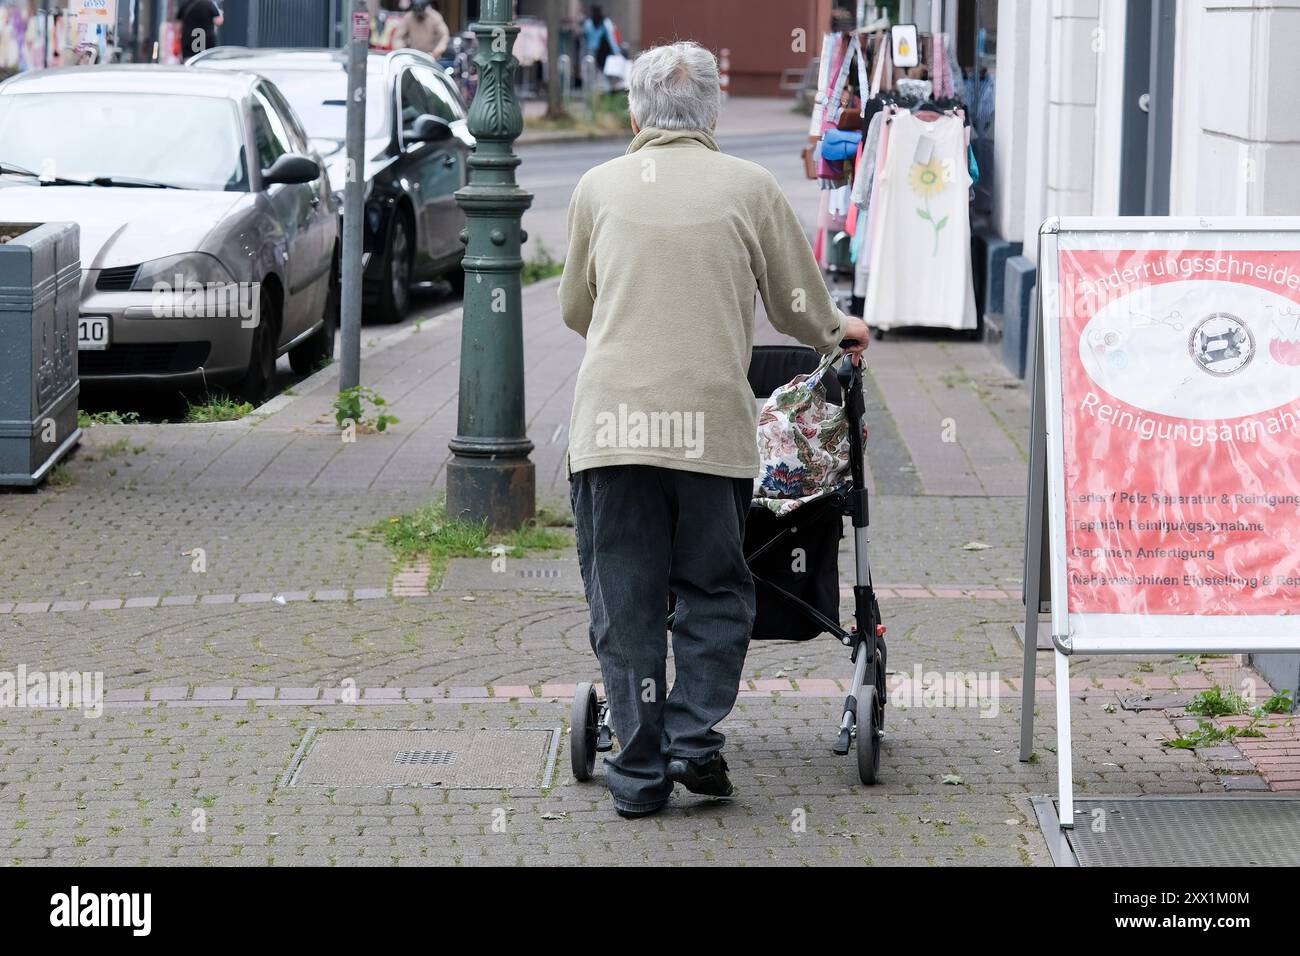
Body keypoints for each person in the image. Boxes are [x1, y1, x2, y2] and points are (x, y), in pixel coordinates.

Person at [559, 42, 870, 819]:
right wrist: (843, 331)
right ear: (714, 115)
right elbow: (798, 308)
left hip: (612, 429)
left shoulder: (597, 188)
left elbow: (575, 310)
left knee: (625, 603)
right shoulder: (749, 185)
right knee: (715, 590)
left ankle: (636, 775)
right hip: (708, 430)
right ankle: (693, 740)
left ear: (634, 112)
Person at [581, 4, 617, 70]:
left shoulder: (588, 23)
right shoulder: (605, 22)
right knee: (599, 71)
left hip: (591, 50)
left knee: (591, 69)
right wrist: (617, 52)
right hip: (601, 51)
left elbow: (585, 38)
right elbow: (611, 39)